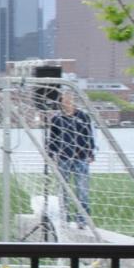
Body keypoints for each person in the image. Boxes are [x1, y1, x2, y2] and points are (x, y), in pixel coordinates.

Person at [46, 92, 95, 224]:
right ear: (61, 102)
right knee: (63, 190)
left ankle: (82, 219)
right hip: (64, 159)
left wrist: (91, 152)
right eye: (65, 100)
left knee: (82, 190)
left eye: (70, 100)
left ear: (74, 101)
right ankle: (64, 217)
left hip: (81, 158)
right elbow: (53, 139)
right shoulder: (57, 119)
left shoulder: (83, 117)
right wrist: (51, 154)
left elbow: (89, 134)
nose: (67, 102)